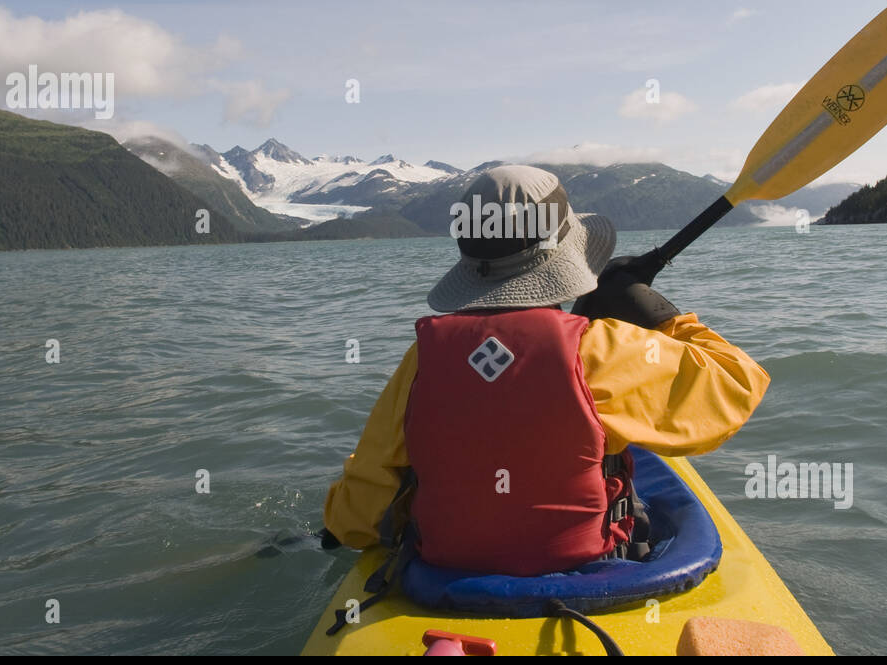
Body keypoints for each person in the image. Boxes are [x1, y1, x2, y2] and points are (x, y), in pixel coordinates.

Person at [321, 165, 770, 577]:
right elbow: (739, 380)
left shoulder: (421, 362)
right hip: (592, 572)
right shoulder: (602, 348)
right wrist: (649, 309)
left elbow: (357, 520)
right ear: (565, 256)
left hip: (448, 580)